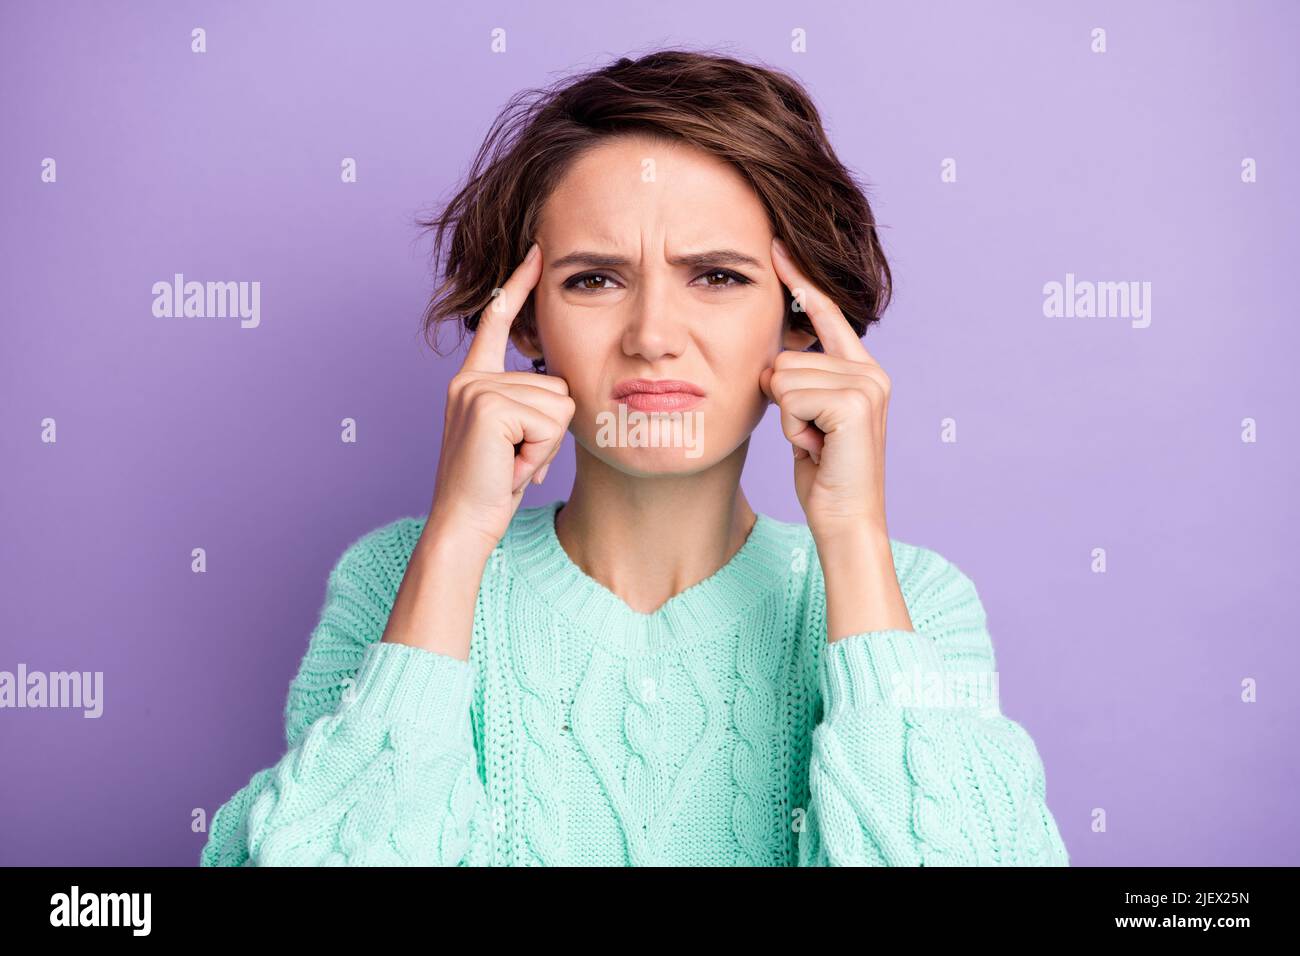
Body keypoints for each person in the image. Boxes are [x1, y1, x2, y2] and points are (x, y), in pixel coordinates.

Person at [200, 48, 1070, 866]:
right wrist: (457, 540)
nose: (653, 338)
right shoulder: (395, 577)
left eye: (719, 277)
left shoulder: (914, 600)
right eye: (594, 279)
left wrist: (851, 536)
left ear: (801, 317)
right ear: (527, 320)